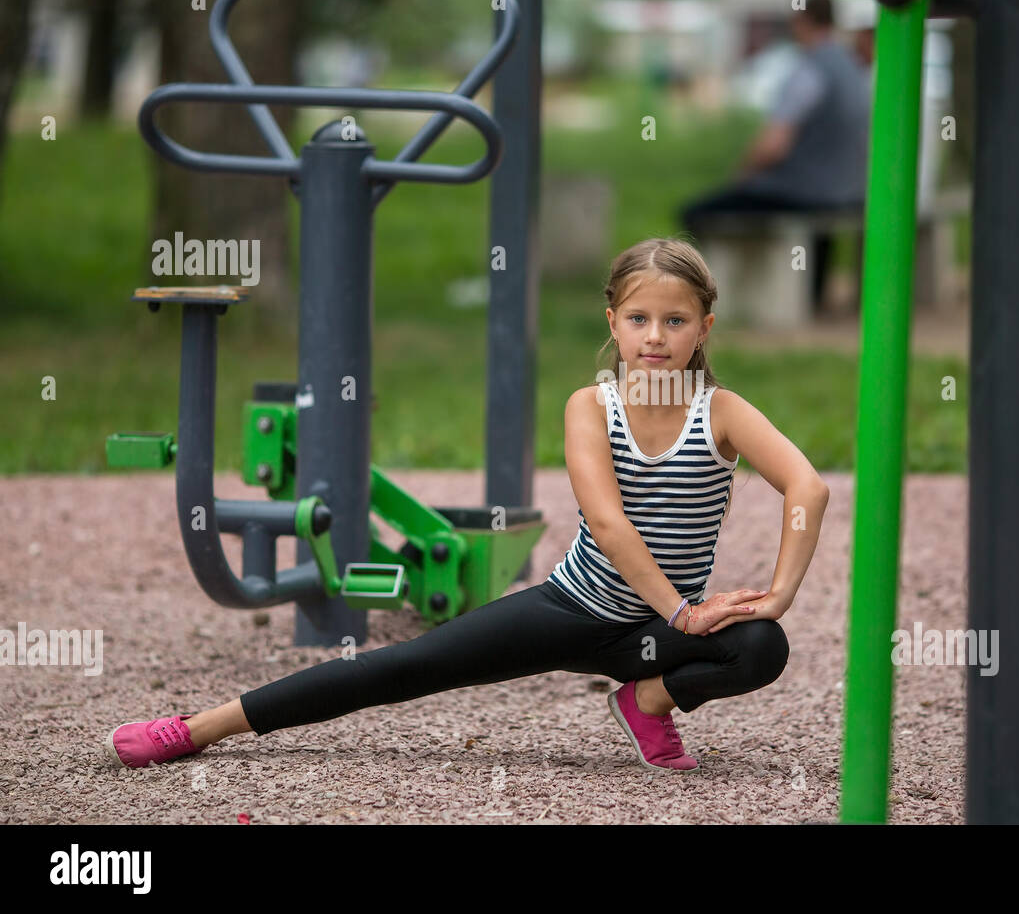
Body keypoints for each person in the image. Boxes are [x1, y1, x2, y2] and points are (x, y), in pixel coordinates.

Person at [104, 237, 831, 774]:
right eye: (639, 319)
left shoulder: (723, 412)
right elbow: (606, 523)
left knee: (762, 647)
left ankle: (645, 704)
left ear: (705, 328)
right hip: (571, 611)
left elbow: (808, 487)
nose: (655, 337)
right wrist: (683, 611)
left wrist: (777, 596)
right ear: (613, 323)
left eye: (676, 322)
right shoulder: (591, 407)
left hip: (658, 633)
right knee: (394, 669)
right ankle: (198, 728)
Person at [680, 0, 870, 316]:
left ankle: (708, 296)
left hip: (804, 190)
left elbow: (774, 144)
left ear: (800, 22)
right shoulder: (853, 69)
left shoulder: (809, 71)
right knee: (815, 222)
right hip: (847, 190)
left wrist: (744, 173)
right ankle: (812, 297)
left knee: (696, 212)